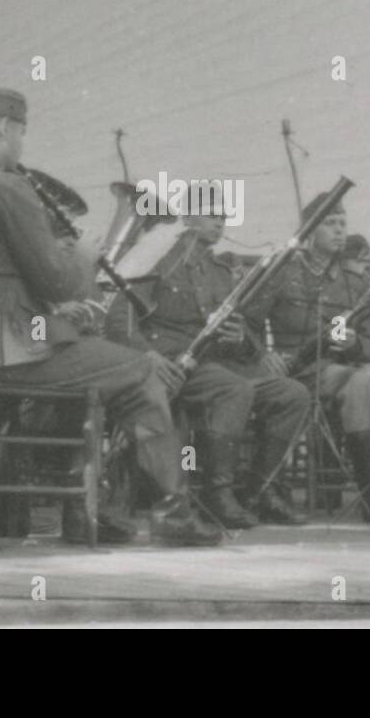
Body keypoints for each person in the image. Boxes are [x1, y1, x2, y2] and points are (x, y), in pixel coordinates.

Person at [0, 83, 220, 546]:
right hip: (9, 352)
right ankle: (170, 514)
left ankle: (72, 512)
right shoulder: (7, 187)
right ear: (8, 129)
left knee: (90, 367)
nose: (21, 145)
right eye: (22, 134)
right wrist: (82, 254)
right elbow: (54, 279)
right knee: (139, 372)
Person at [105, 199, 309, 528]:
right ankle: (219, 494)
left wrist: (239, 336)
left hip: (215, 366)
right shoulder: (159, 260)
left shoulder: (222, 272)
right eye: (212, 215)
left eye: (224, 216)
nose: (220, 222)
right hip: (172, 364)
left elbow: (248, 346)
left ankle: (259, 492)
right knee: (233, 389)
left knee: (292, 393)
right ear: (188, 218)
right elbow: (119, 318)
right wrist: (147, 356)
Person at [244, 193, 370, 525]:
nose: (339, 230)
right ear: (309, 230)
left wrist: (354, 342)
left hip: (348, 368)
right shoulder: (283, 273)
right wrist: (264, 354)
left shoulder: (354, 282)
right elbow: (246, 323)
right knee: (362, 381)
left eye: (343, 223)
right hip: (302, 372)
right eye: (330, 223)